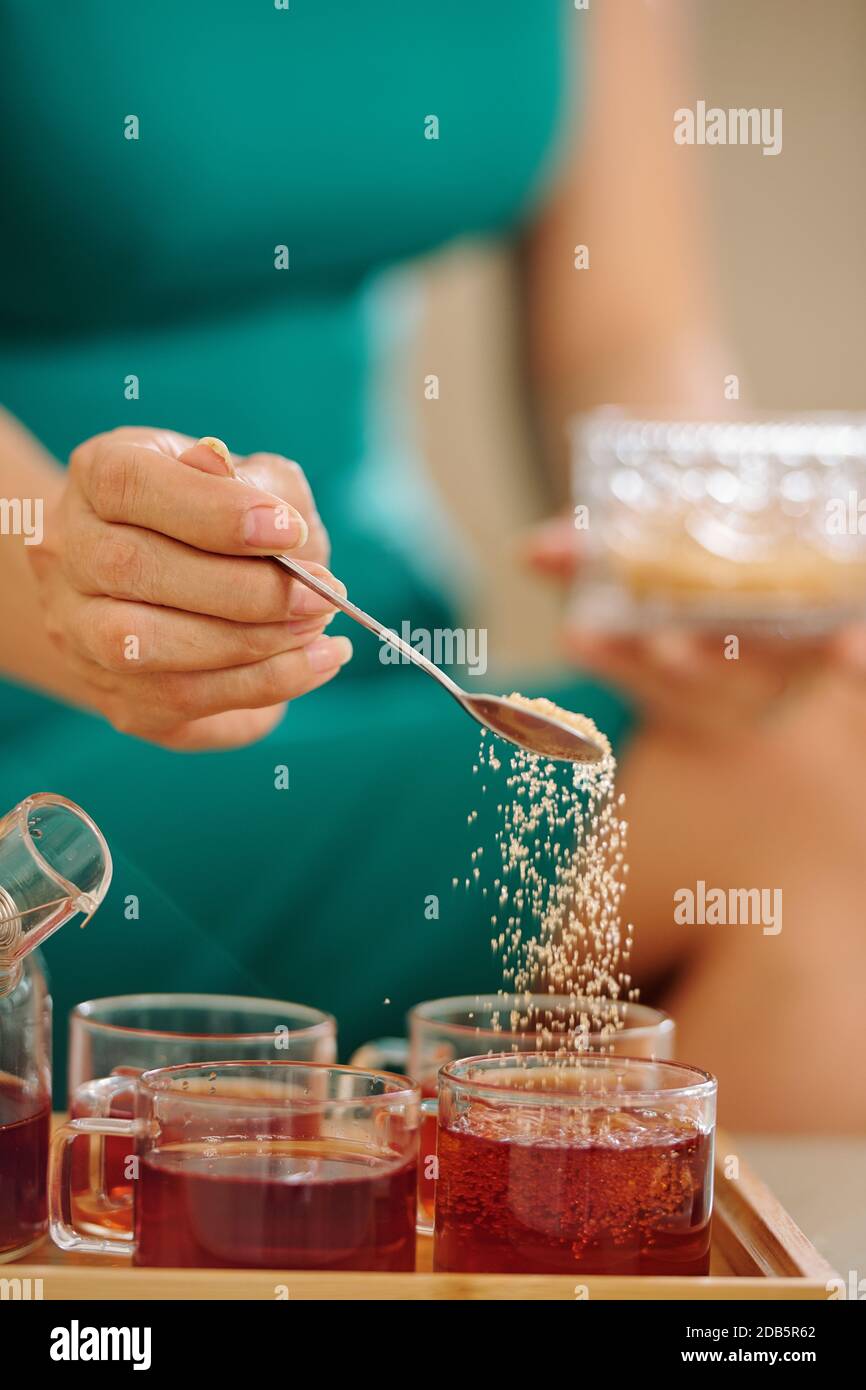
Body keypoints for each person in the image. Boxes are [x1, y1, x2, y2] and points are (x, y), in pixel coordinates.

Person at [1, 2, 863, 1126]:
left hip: (366, 664)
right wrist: (54, 559)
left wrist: (715, 577)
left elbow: (628, 335)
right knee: (818, 803)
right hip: (43, 721)